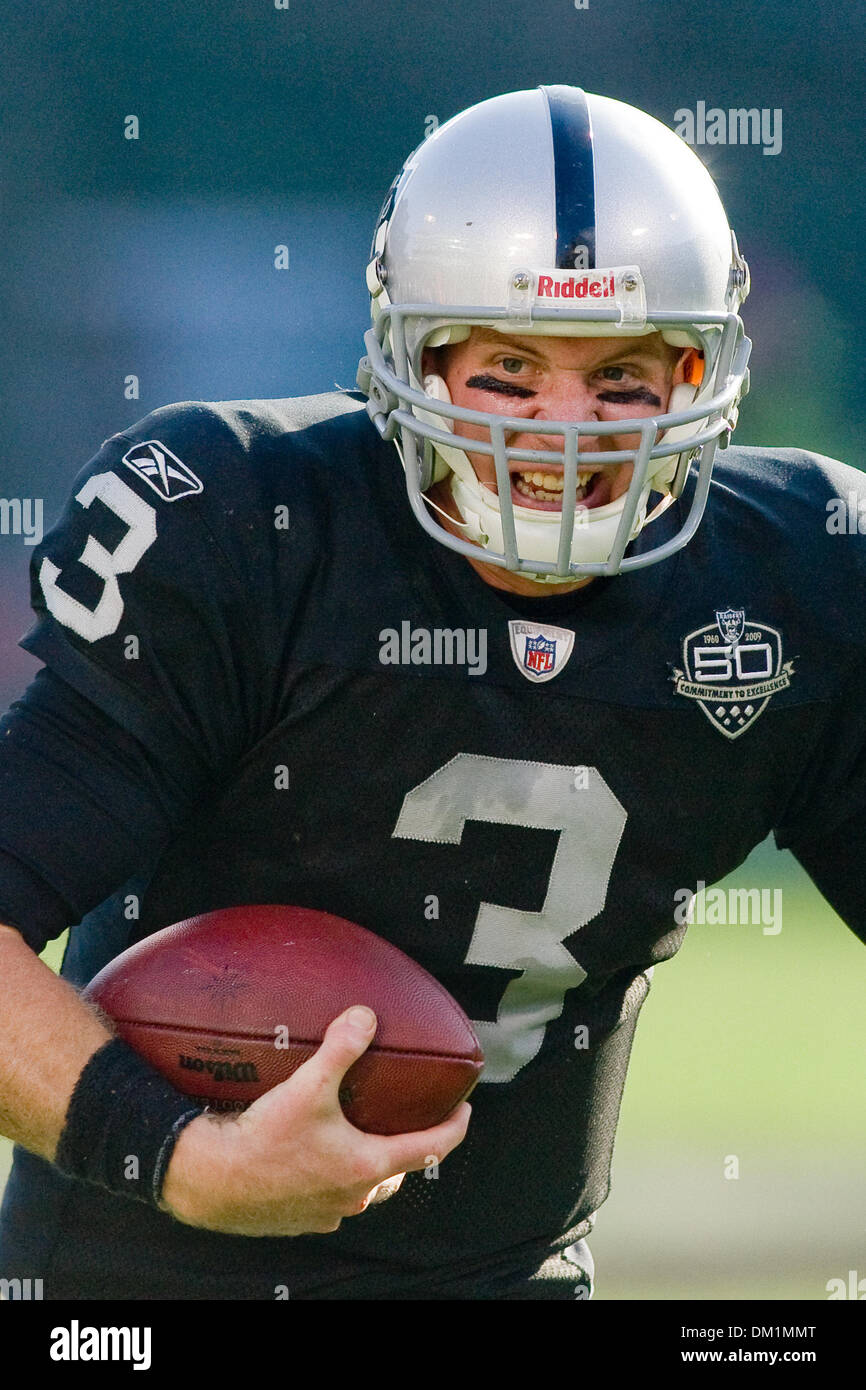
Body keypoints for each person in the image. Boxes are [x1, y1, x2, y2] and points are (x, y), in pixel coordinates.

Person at [0, 84, 863, 1301]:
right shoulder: (246, 526)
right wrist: (184, 1158)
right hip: (137, 1286)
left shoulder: (803, 573)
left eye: (621, 374)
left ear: (699, 371)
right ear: (412, 355)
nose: (566, 429)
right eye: (509, 369)